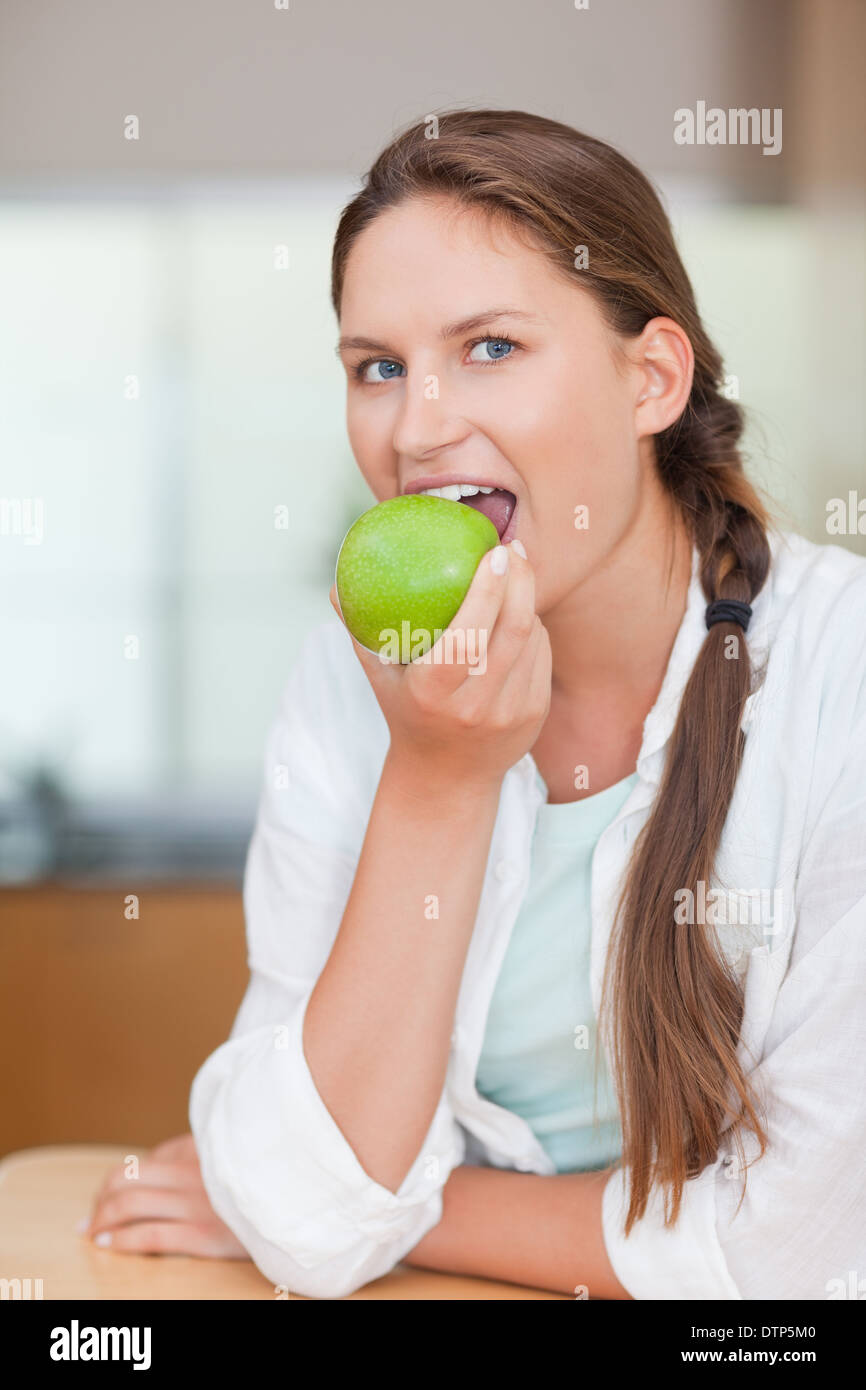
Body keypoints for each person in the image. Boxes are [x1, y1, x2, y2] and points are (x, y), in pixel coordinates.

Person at [81, 109, 866, 1300]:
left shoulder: (839, 672)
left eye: (490, 347)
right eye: (377, 368)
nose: (416, 426)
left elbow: (785, 1256)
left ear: (649, 377)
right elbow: (302, 1219)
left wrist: (391, 1205)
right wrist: (436, 774)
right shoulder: (356, 677)